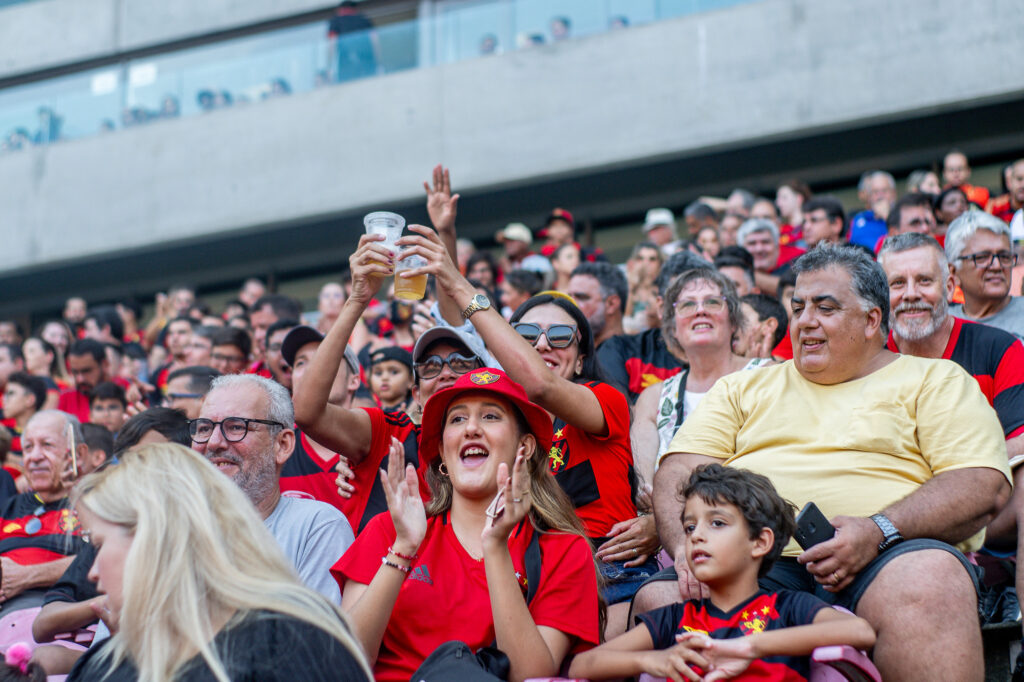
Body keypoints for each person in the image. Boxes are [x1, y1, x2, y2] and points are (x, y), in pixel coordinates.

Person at [649, 244, 1012, 681]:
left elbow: (981, 483)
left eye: (825, 308)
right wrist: (685, 549)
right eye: (798, 307)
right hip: (752, 559)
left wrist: (879, 529)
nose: (805, 320)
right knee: (664, 598)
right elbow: (677, 472)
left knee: (929, 578)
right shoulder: (742, 388)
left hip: (891, 555)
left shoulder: (936, 379)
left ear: (872, 320)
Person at [400, 225, 645, 637]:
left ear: (581, 358)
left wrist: (460, 286)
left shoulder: (606, 400)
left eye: (561, 336)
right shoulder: (493, 421)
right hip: (520, 572)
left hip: (611, 573)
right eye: (527, 336)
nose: (543, 345)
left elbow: (541, 385)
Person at [333, 368, 599, 681]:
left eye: (490, 416)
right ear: (443, 452)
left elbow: (530, 674)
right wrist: (403, 548)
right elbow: (346, 659)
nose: (471, 428)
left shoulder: (565, 549)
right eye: (457, 419)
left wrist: (495, 547)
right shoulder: (390, 529)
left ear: (524, 447)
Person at [65, 443, 372, 681]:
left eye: (100, 545)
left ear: (153, 540)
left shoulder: (299, 647)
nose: (92, 572)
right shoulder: (105, 666)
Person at [569, 465, 875, 681]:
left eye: (717, 523)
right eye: (690, 527)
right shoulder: (674, 619)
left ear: (760, 542)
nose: (697, 536)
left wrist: (750, 646)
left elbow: (859, 632)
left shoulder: (787, 609)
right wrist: (654, 659)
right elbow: (583, 665)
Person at [190, 374, 355, 603]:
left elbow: (311, 626)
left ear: (282, 445)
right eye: (204, 428)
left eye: (236, 427)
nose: (213, 442)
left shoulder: (315, 527)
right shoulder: (172, 524)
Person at [630, 269, 770, 502]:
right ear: (673, 328)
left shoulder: (767, 375)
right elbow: (644, 486)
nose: (700, 310)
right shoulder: (654, 397)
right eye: (687, 305)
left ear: (733, 321)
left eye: (712, 302)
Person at [1, 411, 87, 612]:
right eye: (28, 447)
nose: (35, 457)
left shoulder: (95, 504)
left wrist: (28, 575)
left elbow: (107, 559)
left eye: (47, 445)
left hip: (56, 610)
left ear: (78, 454)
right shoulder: (9, 506)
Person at [947, 211, 1024, 338]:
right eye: (982, 257)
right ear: (953, 272)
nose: (997, 266)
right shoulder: (941, 326)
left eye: (1004, 256)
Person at [567, 262, 627, 348]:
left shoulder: (637, 353)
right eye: (569, 297)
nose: (570, 304)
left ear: (611, 304)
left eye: (581, 297)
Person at [738, 218, 804, 297]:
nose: (759, 249)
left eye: (765, 242)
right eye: (752, 243)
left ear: (777, 247)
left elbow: (796, 291)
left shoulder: (795, 268)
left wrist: (746, 273)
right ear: (742, 249)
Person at [59, 340, 115, 424]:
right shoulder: (65, 398)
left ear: (105, 364)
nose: (80, 379)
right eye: (75, 372)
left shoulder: (126, 392)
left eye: (86, 371)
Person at [327, 0, 377, 83]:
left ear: (340, 9)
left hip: (346, 61)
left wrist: (330, 66)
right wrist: (377, 61)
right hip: (366, 60)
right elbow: (374, 40)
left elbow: (332, 43)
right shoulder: (364, 19)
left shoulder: (335, 21)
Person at [2, 372, 47, 465]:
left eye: (11, 393)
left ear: (29, 400)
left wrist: (6, 456)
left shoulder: (46, 436)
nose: (4, 399)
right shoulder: (4, 434)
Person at [848, 170, 897, 249]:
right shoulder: (859, 220)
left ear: (893, 193)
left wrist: (887, 218)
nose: (880, 196)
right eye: (875, 192)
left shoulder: (903, 216)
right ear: (869, 197)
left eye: (884, 191)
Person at [368, 347, 414, 414]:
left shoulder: (418, 410)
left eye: (394, 372)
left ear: (411, 380)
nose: (384, 377)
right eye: (378, 373)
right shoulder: (370, 414)